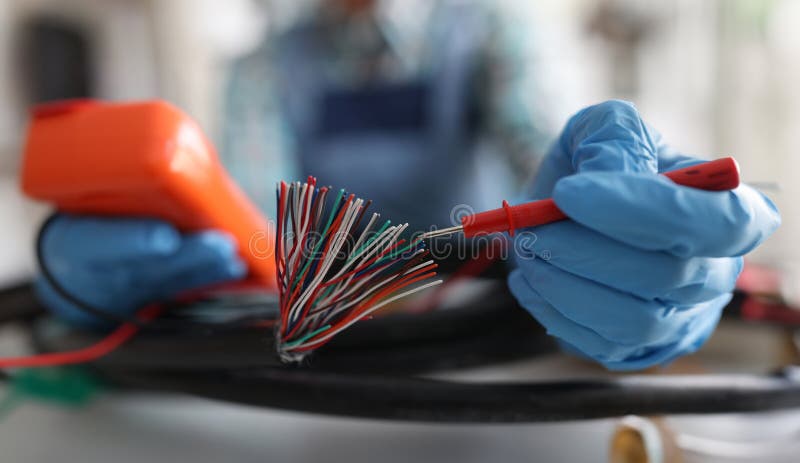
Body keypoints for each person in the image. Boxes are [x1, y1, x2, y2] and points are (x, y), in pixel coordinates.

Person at [35, 0, 780, 370]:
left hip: (493, 340)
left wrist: (631, 212)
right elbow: (260, 227)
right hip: (336, 361)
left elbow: (538, 142)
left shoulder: (488, 30)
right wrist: (186, 273)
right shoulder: (263, 69)